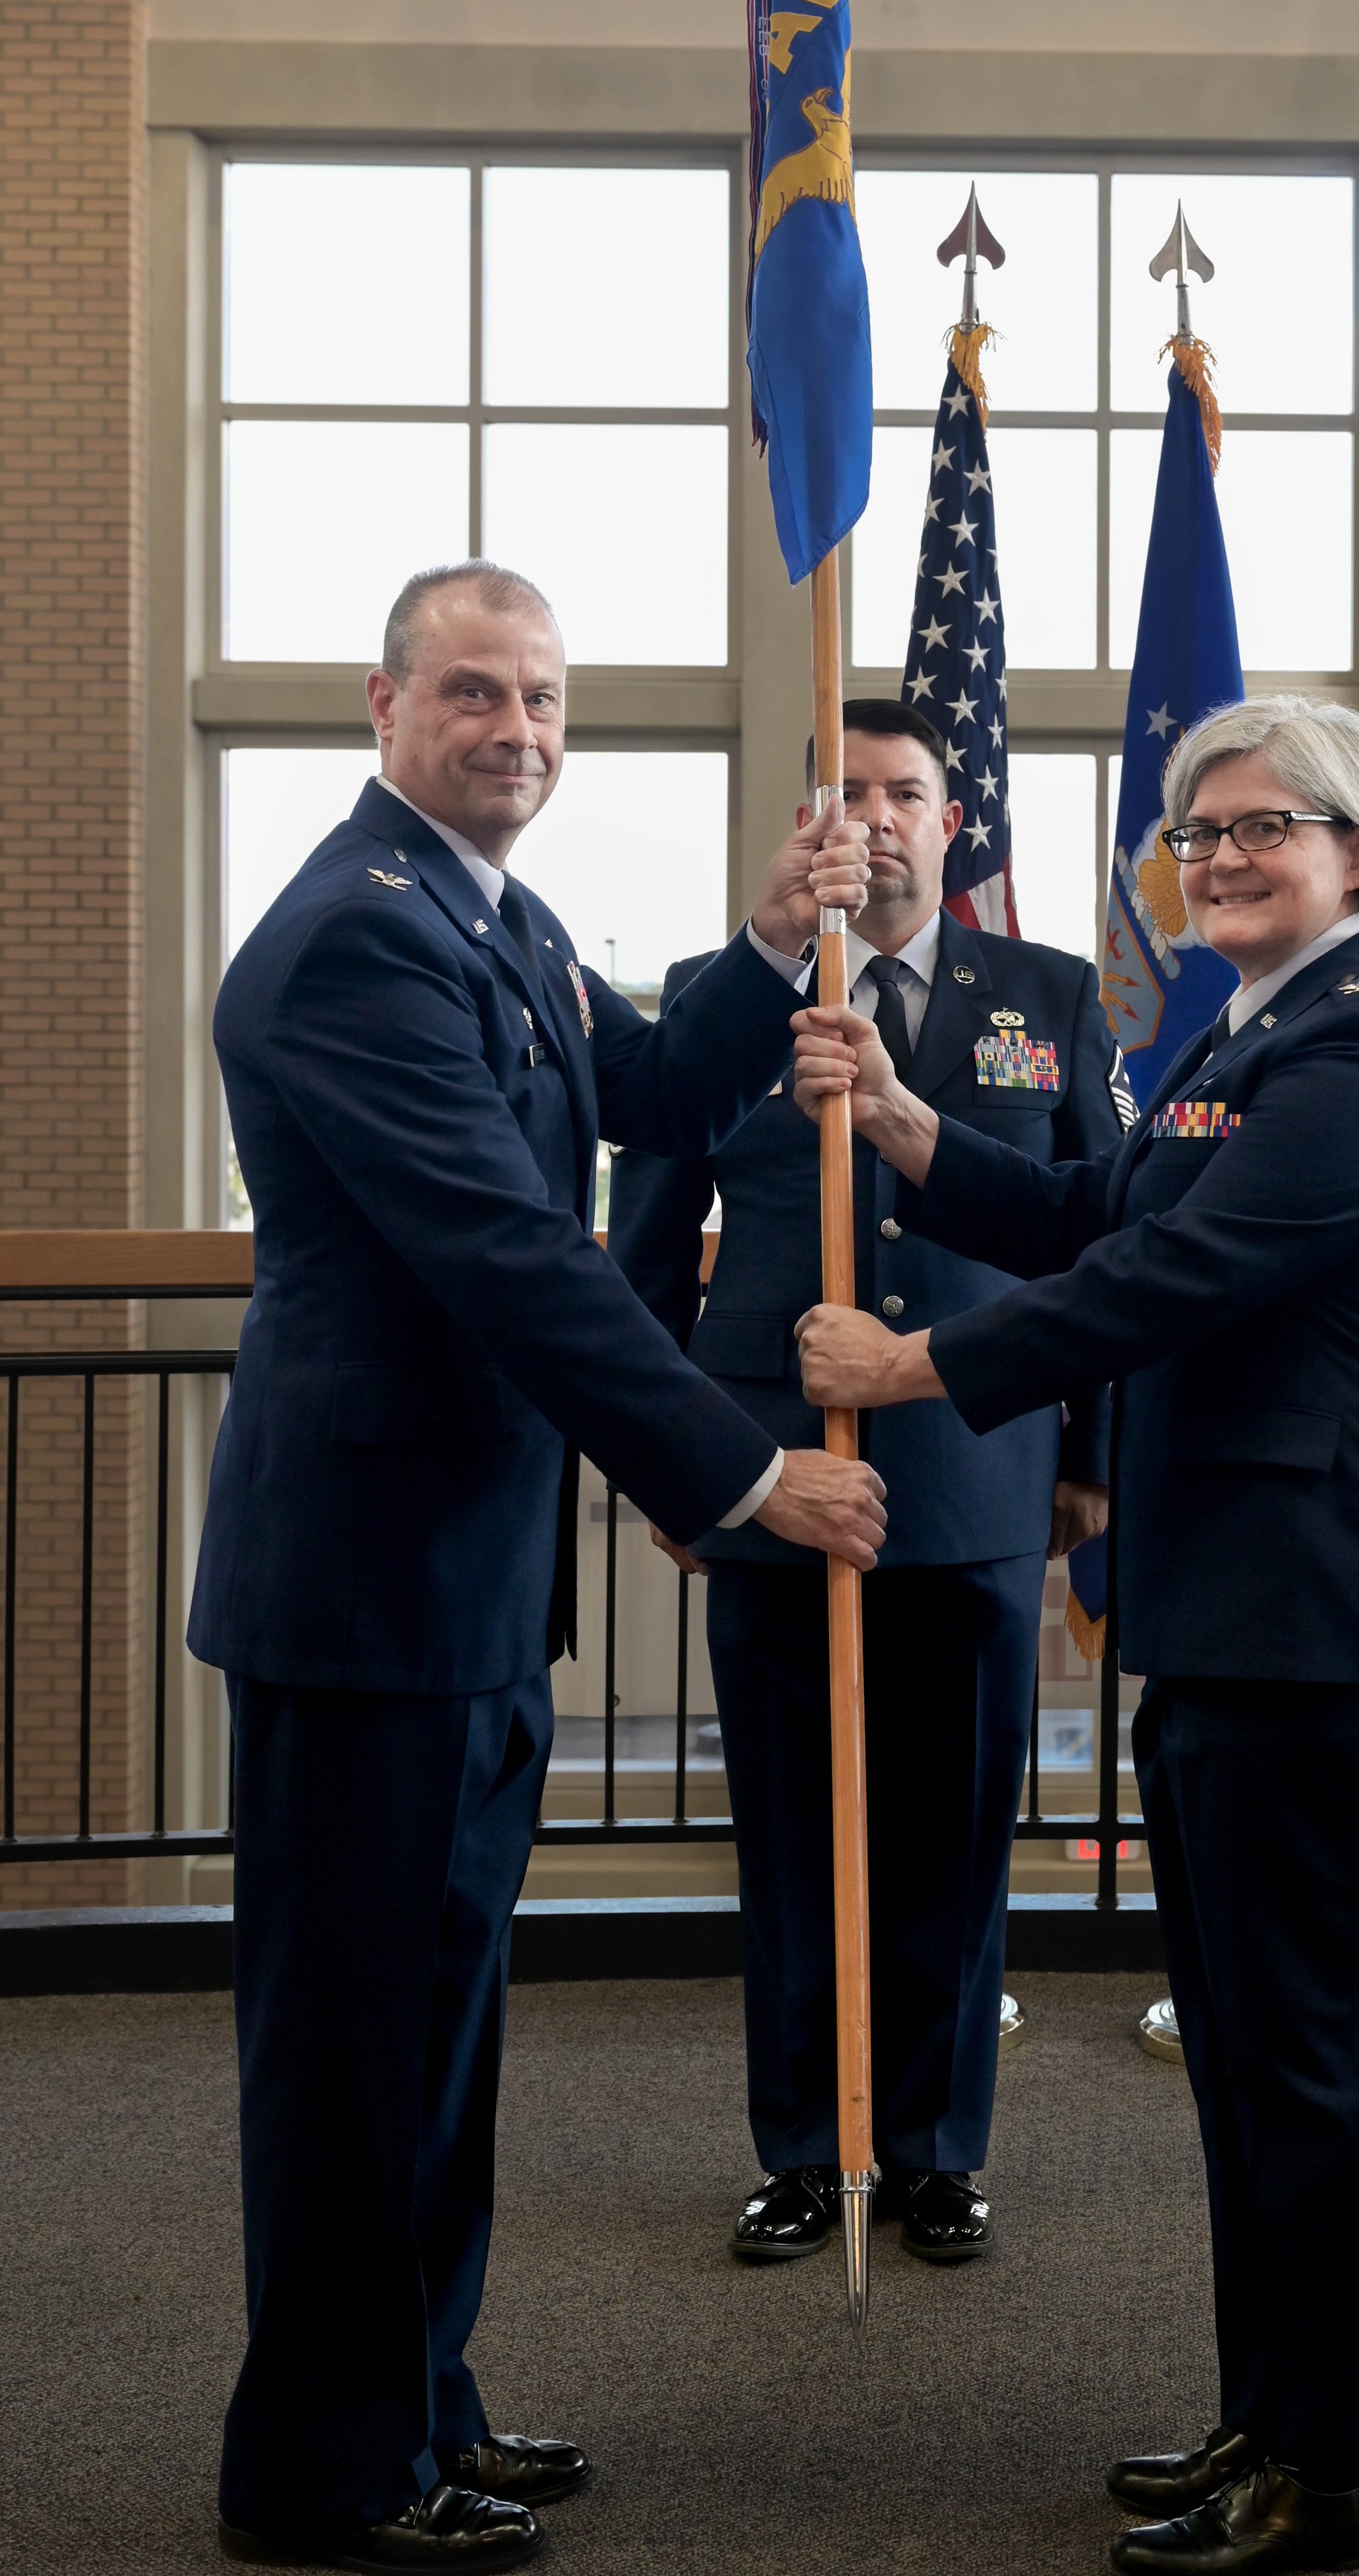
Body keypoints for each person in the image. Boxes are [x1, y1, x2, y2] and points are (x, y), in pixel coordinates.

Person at [190, 560, 886, 2574]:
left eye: (546, 702)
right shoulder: (353, 944)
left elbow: (656, 1093)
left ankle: (424, 2402)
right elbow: (514, 1254)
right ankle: (322, 2471)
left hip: (465, 1584)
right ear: (386, 705)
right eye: (478, 695)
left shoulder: (498, 919)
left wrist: (769, 942)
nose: (519, 732)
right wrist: (744, 1472)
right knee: (351, 2050)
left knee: (437, 2023)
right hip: (364, 1591)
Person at [789, 695, 1359, 2576]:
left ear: (1358, 848)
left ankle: (1332, 2468)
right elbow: (1097, 1205)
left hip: (1320, 1621)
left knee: (1312, 2064)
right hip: (1232, 1617)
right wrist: (914, 1119)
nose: (1226, 859)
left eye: (1269, 827)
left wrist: (912, 1361)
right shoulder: (1239, 1042)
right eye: (1200, 835)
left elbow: (1167, 1282)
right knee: (1257, 2056)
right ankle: (1272, 2411)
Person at [608, 699, 1132, 2266]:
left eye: (907, 791)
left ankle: (932, 2149)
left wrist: (1090, 1462)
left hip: (976, 1477)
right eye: (846, 791)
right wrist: (678, 1465)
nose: (880, 818)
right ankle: (801, 2149)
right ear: (804, 823)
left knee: (955, 1838)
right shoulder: (715, 1003)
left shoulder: (1044, 998)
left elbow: (1102, 1246)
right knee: (786, 1837)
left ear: (952, 822)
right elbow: (643, 1263)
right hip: (770, 1474)